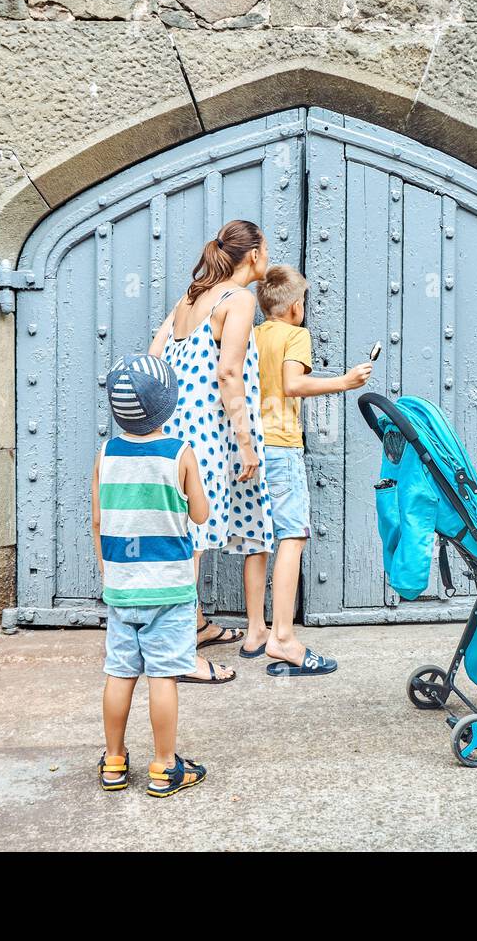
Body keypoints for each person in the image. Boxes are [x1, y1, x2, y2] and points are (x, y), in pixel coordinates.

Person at [148, 219, 274, 685]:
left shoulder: (192, 297)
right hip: (211, 433)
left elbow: (155, 353)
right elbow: (228, 374)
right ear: (254, 255)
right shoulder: (237, 300)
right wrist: (245, 443)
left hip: (181, 427)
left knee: (187, 531)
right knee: (195, 542)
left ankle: (197, 626)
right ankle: (179, 654)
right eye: (267, 250)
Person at [242, 264, 371, 676]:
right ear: (296, 307)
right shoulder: (295, 335)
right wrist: (346, 382)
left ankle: (255, 632)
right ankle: (282, 637)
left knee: (256, 539)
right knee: (291, 536)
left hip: (250, 449)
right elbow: (294, 385)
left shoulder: (252, 333)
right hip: (281, 446)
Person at [93, 354, 211, 797]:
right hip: (171, 588)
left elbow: (98, 519)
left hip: (122, 588)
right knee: (163, 675)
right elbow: (199, 514)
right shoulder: (180, 452)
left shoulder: (105, 453)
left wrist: (110, 571)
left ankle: (114, 761)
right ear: (169, 405)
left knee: (120, 673)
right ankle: (163, 766)